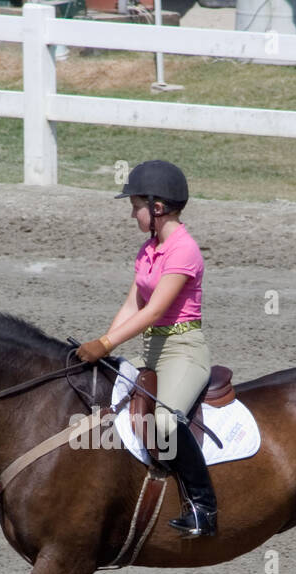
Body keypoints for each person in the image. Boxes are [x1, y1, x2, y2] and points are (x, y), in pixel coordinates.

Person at [75, 160, 216, 538]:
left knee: (167, 422)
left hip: (183, 350)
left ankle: (203, 508)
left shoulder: (184, 251)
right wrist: (102, 348)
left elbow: (156, 310)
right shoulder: (149, 249)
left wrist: (105, 343)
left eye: (134, 205)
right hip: (151, 350)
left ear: (156, 208)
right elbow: (134, 304)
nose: (131, 213)